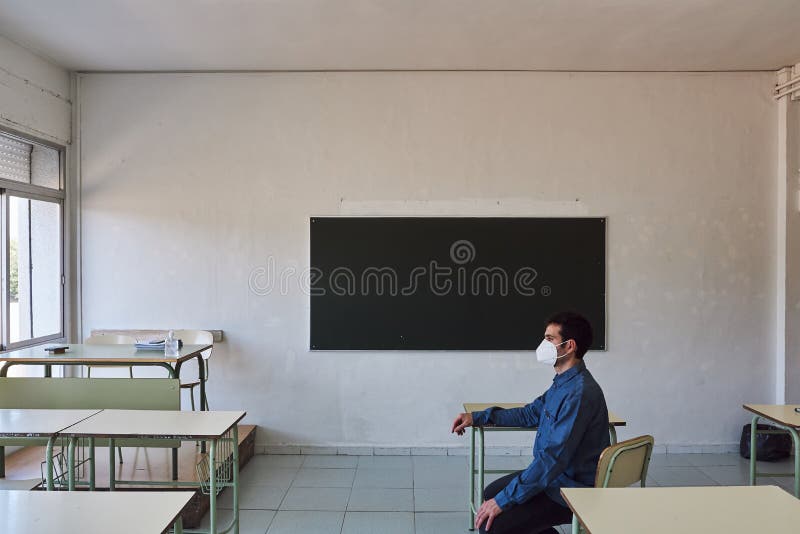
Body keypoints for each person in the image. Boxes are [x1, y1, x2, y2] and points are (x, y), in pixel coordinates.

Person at [451, 311, 609, 534]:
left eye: (550, 339)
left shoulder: (579, 393)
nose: (543, 344)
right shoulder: (563, 383)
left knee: (492, 525)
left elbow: (552, 460)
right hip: (553, 479)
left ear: (569, 346)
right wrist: (477, 417)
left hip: (569, 491)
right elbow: (529, 414)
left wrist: (504, 501)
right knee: (492, 493)